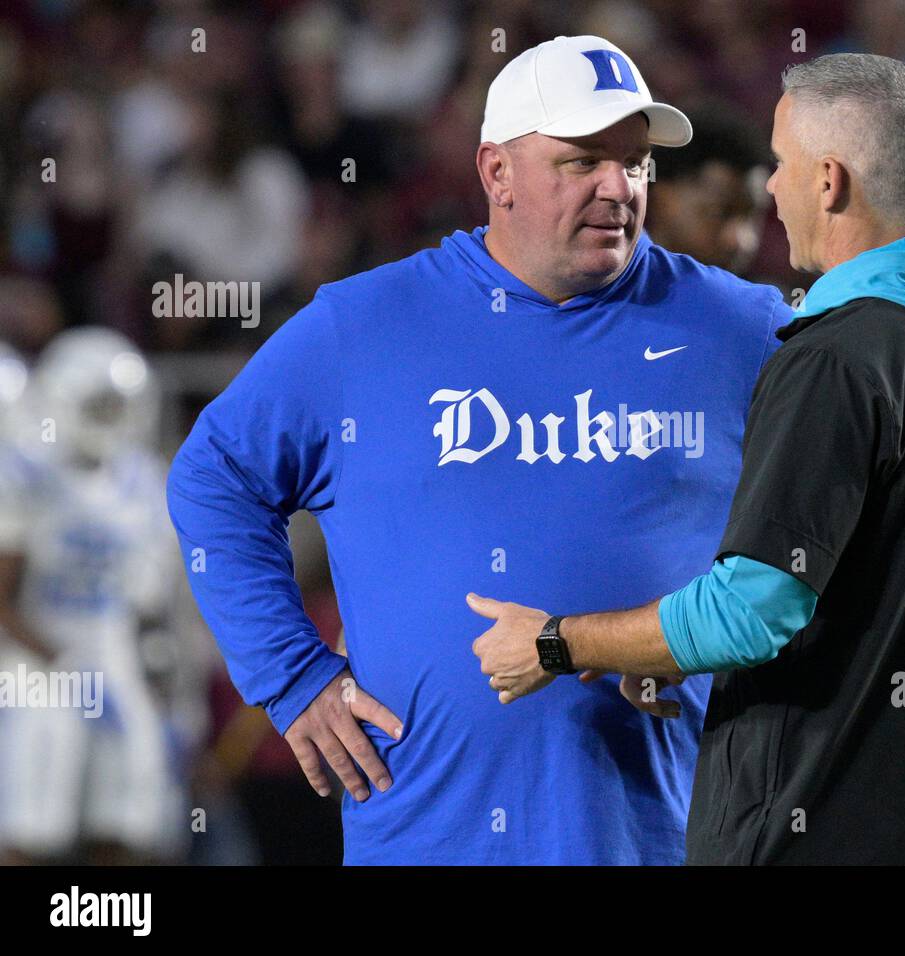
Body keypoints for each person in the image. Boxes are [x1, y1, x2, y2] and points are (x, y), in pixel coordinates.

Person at [167, 35, 790, 865]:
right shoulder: (366, 327)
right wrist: (292, 676)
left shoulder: (746, 329)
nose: (619, 188)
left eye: (635, 162)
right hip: (428, 836)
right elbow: (213, 477)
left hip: (668, 835)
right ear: (497, 173)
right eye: (583, 162)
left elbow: (827, 537)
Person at [472, 53, 905, 864]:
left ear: (829, 181)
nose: (771, 189)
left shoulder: (836, 359)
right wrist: (654, 647)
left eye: (781, 164)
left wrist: (558, 643)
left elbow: (750, 613)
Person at [0, 329, 184, 864]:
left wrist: (157, 672)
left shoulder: (142, 481)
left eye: (115, 404)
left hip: (113, 656)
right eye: (98, 403)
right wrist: (58, 658)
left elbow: (152, 602)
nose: (108, 416)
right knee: (33, 810)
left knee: (128, 814)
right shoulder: (24, 472)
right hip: (35, 661)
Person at [643, 104, 770, 274]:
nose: (740, 241)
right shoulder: (612, 287)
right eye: (719, 213)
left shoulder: (769, 291)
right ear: (662, 198)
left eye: (752, 217)